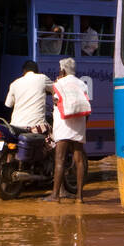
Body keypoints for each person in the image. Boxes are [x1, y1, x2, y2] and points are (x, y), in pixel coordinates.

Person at [48, 57, 92, 203]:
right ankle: (80, 196)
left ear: (62, 70)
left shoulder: (59, 83)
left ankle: (55, 196)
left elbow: (56, 101)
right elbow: (87, 104)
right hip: (79, 124)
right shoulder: (82, 84)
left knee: (59, 160)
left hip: (63, 125)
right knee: (79, 160)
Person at [3, 60, 52, 132]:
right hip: (35, 126)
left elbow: (8, 104)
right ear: (37, 71)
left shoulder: (15, 83)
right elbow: (56, 88)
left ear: (23, 71)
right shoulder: (42, 78)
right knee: (52, 137)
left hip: (15, 126)